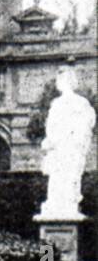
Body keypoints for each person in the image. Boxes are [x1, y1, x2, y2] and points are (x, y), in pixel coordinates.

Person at [40, 68, 96, 219]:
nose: (58, 83)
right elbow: (50, 129)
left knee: (66, 183)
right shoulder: (58, 104)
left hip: (67, 151)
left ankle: (54, 239)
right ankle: (48, 241)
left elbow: (86, 126)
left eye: (61, 80)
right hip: (61, 152)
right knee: (57, 185)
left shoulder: (78, 104)